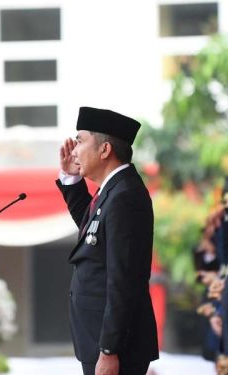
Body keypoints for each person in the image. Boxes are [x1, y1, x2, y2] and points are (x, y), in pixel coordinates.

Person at [56, 107, 159, 375]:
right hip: (98, 340)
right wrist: (71, 180)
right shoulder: (113, 191)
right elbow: (91, 233)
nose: (74, 150)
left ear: (104, 150)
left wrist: (110, 350)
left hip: (117, 349)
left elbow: (123, 280)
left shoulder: (124, 195)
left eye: (80, 140)